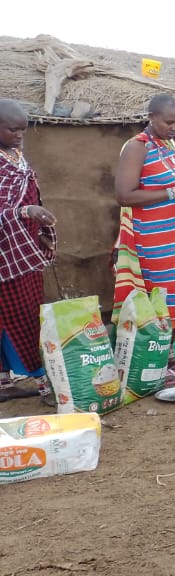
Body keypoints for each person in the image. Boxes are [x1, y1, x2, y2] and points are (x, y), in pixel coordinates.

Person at [112, 94, 175, 331]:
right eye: (168, 123)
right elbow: (124, 196)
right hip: (154, 240)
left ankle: (170, 352)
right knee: (162, 296)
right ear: (151, 117)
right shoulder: (137, 147)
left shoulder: (168, 145)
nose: (174, 128)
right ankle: (157, 353)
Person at [0, 99, 57, 404]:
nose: (20, 134)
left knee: (30, 313)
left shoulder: (16, 157)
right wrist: (24, 213)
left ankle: (26, 377)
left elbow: (26, 198)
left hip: (24, 253)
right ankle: (30, 380)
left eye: (23, 129)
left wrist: (39, 233)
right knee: (11, 316)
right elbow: (15, 207)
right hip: (4, 257)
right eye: (12, 129)